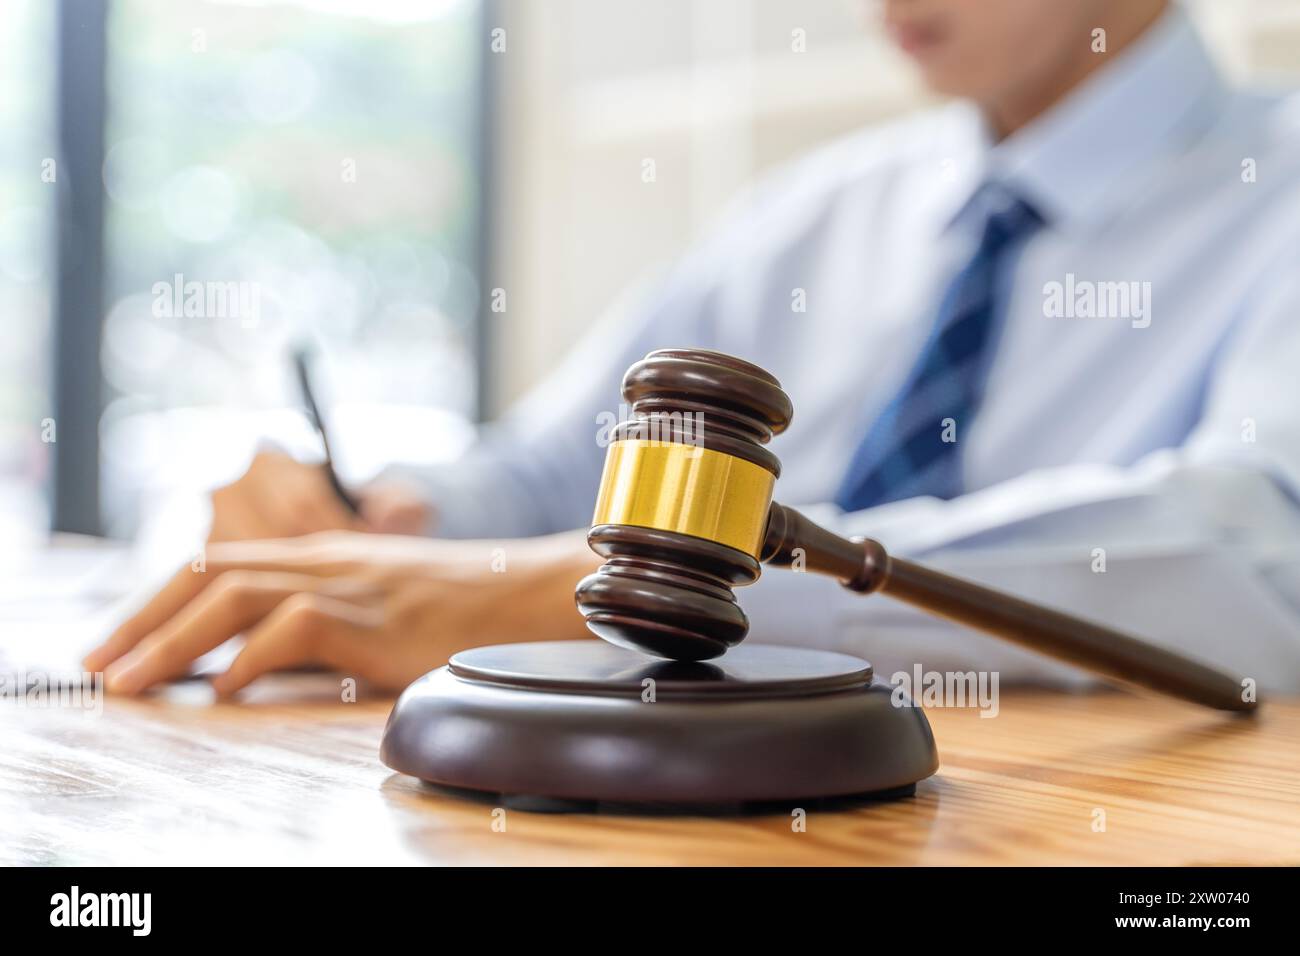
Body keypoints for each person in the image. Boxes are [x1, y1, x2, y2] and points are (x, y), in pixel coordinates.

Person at [86, 0, 1300, 697]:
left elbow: (1268, 552)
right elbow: (556, 474)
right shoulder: (812, 212)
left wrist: (661, 591)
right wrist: (391, 518)